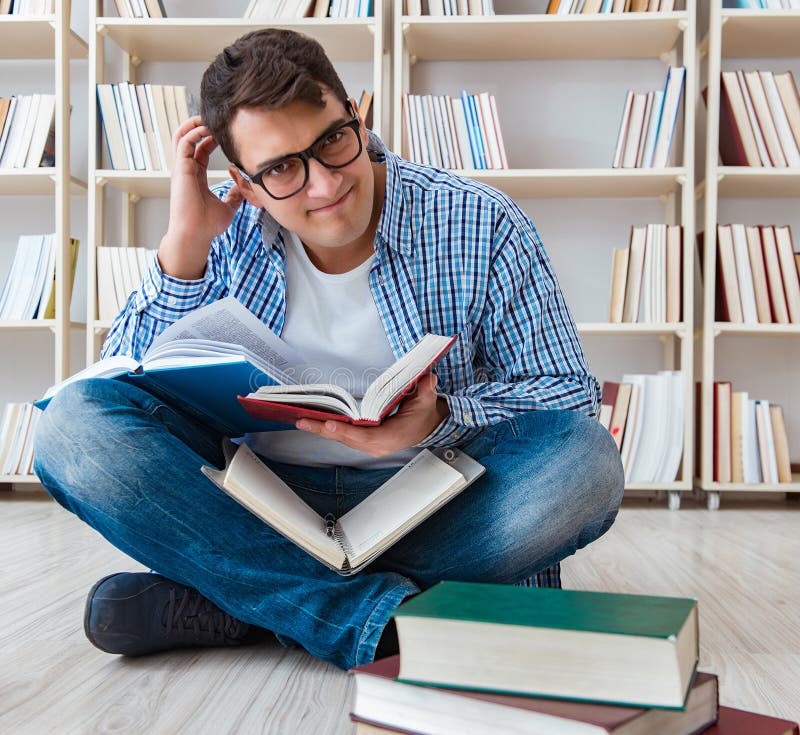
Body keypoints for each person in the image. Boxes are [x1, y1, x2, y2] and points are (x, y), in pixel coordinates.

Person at [33, 28, 624, 671]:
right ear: (247, 183)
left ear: (356, 117)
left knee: (584, 464)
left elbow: (567, 394)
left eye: (331, 142)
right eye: (282, 168)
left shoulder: (480, 221)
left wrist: (440, 417)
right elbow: (118, 386)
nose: (322, 185)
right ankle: (366, 616)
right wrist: (183, 252)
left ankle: (248, 600)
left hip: (431, 499)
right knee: (70, 430)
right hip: (260, 501)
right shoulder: (222, 234)